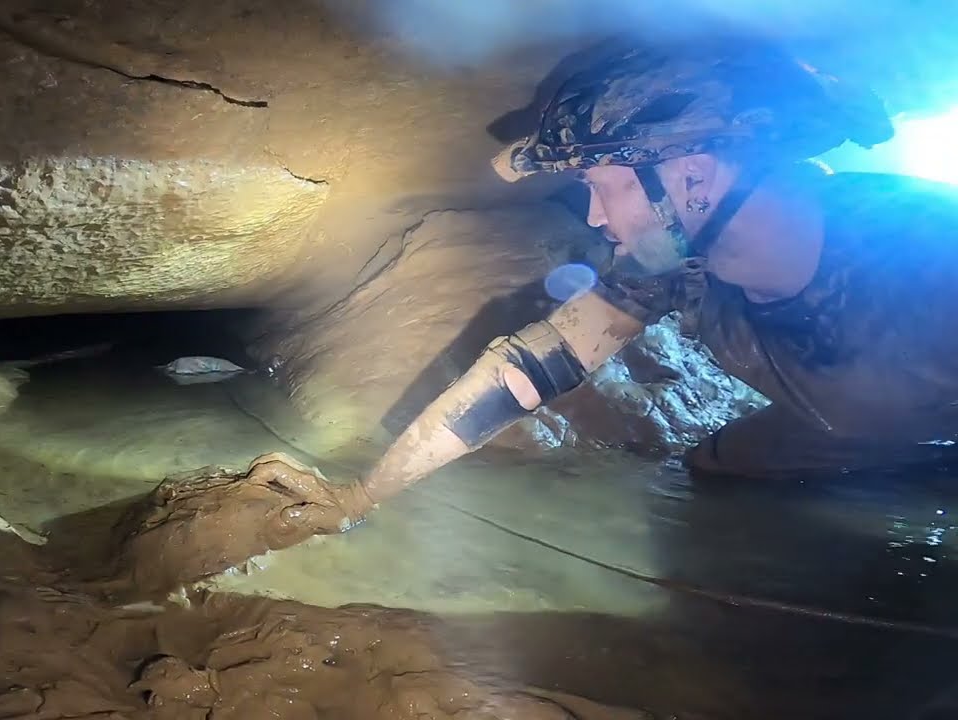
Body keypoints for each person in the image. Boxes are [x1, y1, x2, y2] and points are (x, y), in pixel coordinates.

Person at [336, 35, 958, 518]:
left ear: (693, 176)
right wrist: (361, 497)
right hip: (853, 426)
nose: (595, 216)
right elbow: (528, 370)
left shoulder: (930, 257)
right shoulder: (672, 257)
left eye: (600, 186)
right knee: (719, 467)